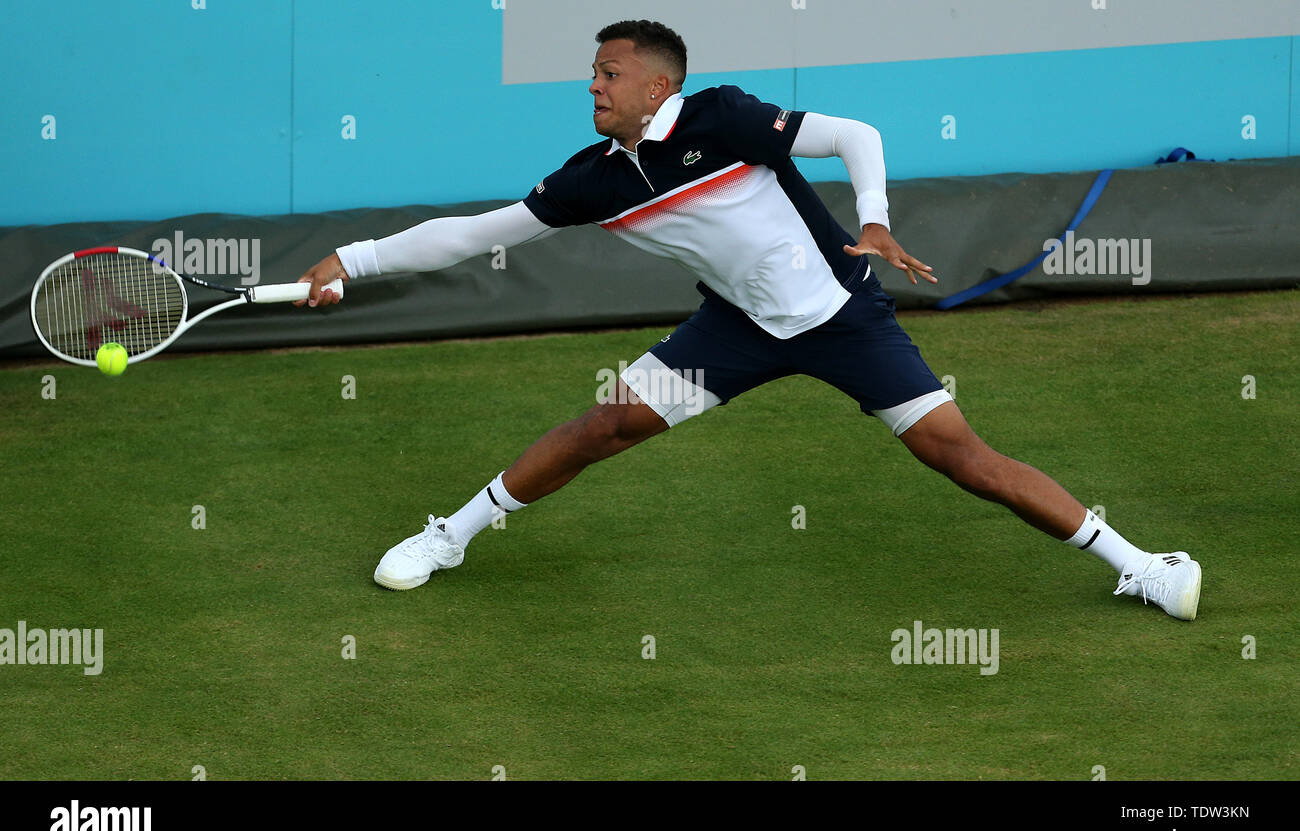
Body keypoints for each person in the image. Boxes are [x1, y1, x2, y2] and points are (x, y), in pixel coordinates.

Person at [296, 20, 1201, 619]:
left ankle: (1141, 565)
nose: (593, 87)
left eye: (608, 74)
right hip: (734, 332)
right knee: (605, 423)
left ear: (658, 87)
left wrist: (875, 216)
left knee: (961, 457)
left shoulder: (725, 118)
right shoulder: (592, 178)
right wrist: (353, 262)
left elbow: (857, 137)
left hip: (844, 317)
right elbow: (471, 234)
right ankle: (447, 536)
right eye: (591, 75)